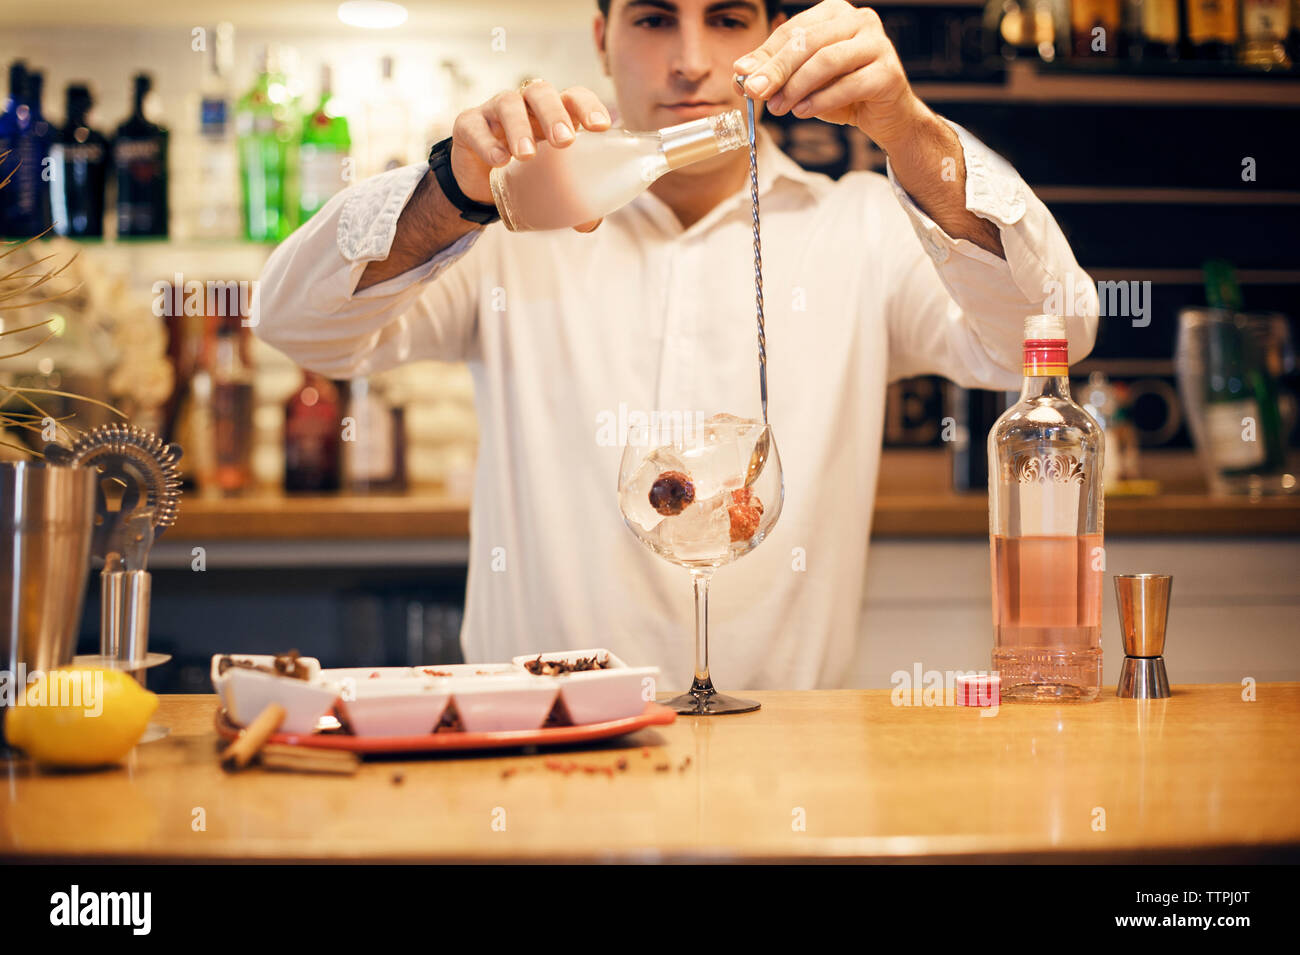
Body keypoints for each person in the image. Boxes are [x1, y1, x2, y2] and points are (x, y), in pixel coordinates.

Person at [252, 0, 1099, 689]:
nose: (692, 61)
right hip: (538, 766)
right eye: (655, 19)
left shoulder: (863, 226)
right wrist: (454, 189)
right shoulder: (513, 228)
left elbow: (1055, 329)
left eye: (727, 18)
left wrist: (909, 130)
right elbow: (296, 321)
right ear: (601, 38)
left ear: (772, 39)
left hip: (789, 769)